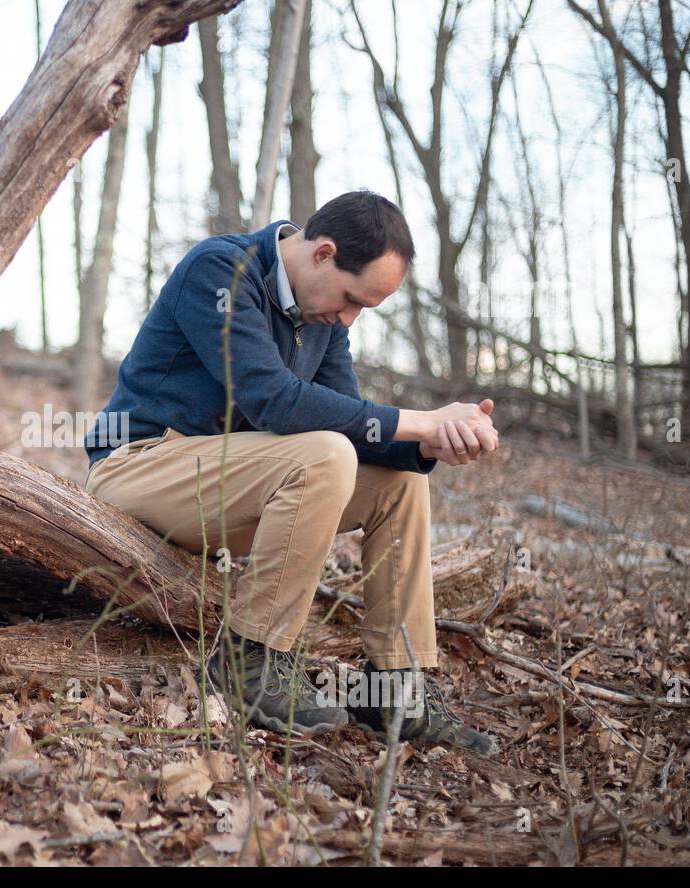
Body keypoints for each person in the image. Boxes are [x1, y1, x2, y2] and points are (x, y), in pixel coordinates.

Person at [81, 190, 500, 755]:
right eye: (353, 300)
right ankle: (248, 659)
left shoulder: (321, 317)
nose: (349, 318)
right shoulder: (220, 271)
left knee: (400, 483)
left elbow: (355, 428)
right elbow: (275, 403)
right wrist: (422, 419)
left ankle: (394, 688)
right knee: (324, 454)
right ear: (323, 253)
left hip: (229, 485)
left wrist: (431, 446)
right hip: (141, 465)